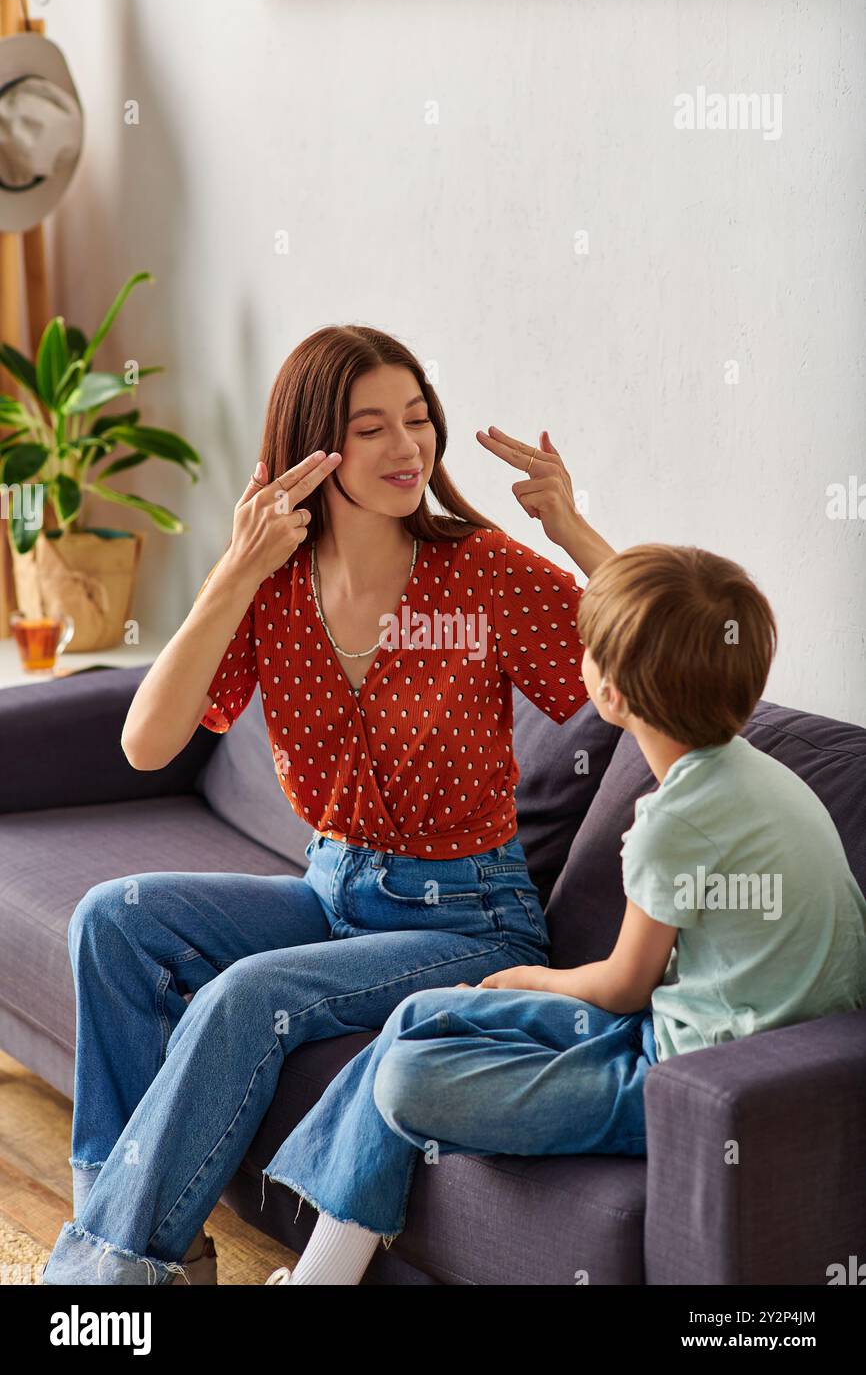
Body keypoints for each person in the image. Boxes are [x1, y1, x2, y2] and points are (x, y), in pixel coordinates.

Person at [41, 323, 613, 1284]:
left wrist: (574, 529)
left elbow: (662, 666)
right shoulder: (273, 588)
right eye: (372, 427)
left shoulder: (479, 571)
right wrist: (232, 571)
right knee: (112, 921)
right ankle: (144, 1245)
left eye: (418, 420)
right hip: (333, 886)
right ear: (313, 448)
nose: (408, 449)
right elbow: (146, 742)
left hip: (473, 917)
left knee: (245, 995)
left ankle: (107, 1282)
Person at [260, 542, 866, 1286]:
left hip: (673, 1077)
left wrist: (527, 978)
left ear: (610, 694)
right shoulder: (764, 775)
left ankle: (321, 1276)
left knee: (405, 1081)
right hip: (691, 1031)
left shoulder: (676, 822)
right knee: (418, 1012)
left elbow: (623, 988)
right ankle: (328, 1270)